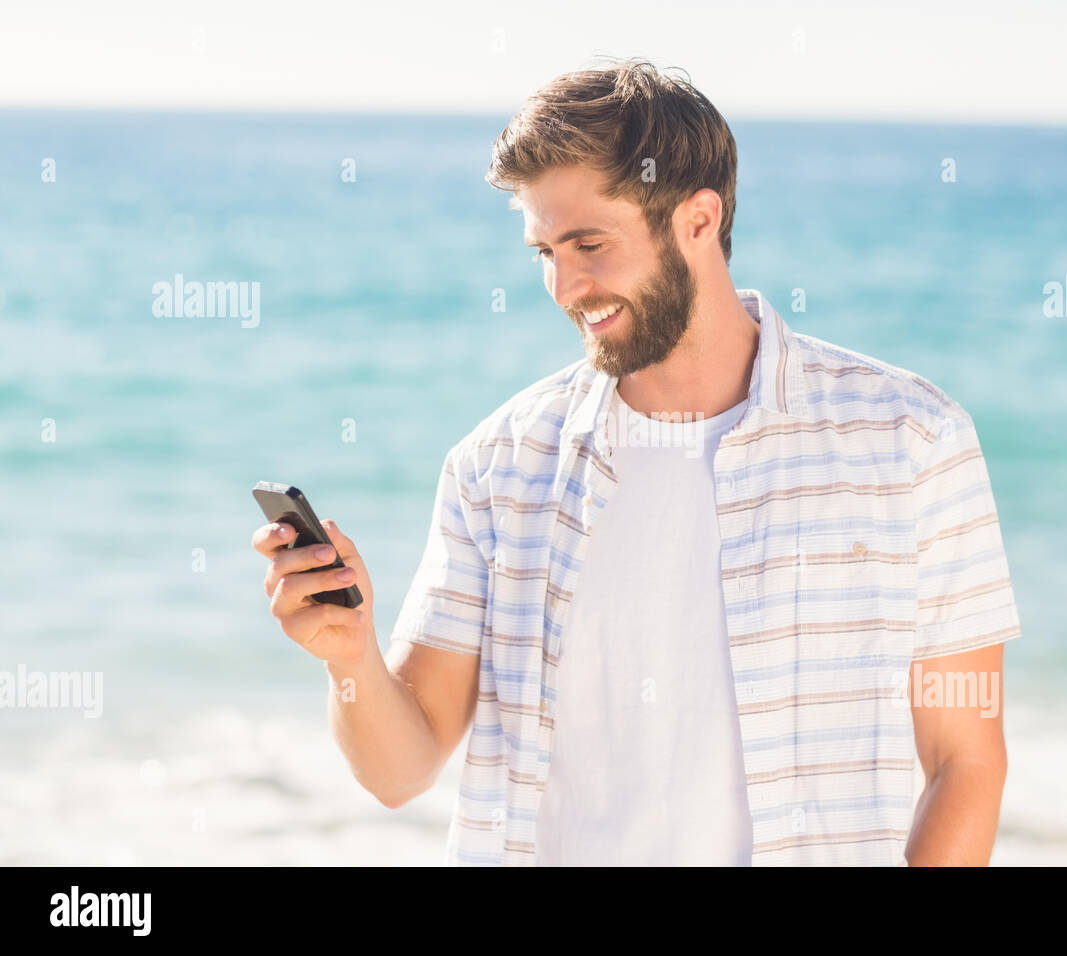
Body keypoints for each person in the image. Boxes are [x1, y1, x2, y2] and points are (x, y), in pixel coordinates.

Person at [252, 57, 1021, 866]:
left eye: (589, 242)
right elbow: (398, 770)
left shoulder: (912, 441)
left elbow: (967, 761)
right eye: (544, 250)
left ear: (698, 219)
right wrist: (350, 656)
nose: (564, 285)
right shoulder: (498, 469)